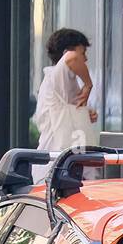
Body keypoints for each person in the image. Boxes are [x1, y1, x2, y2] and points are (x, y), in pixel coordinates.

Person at [34, 28, 99, 160]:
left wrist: (85, 113)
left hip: (67, 160)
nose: (85, 59)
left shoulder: (61, 80)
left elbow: (64, 108)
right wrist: (88, 84)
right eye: (83, 52)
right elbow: (72, 57)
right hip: (55, 162)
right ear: (66, 52)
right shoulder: (56, 75)